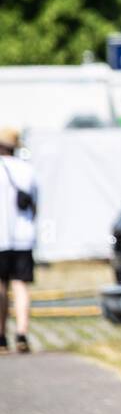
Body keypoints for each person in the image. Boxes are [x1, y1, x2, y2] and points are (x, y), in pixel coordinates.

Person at [0, 127, 36, 354]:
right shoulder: (27, 170)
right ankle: (22, 333)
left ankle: (1, 337)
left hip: (0, 238)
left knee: (0, 286)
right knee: (21, 285)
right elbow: (36, 204)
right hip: (23, 237)